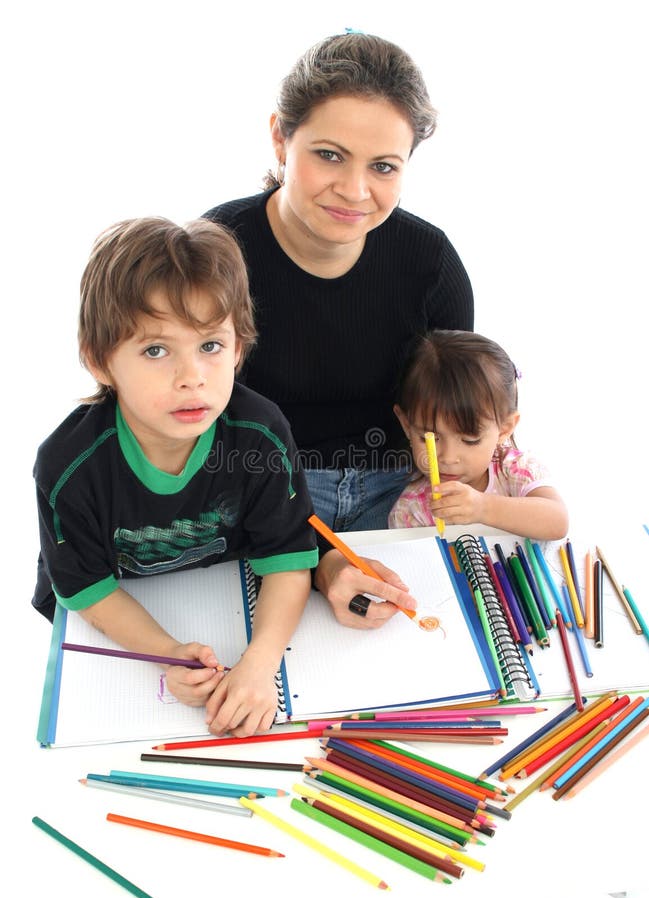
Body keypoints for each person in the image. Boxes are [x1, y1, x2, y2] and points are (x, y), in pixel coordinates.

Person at [203, 31, 473, 629]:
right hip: (258, 498)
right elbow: (191, 438)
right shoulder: (214, 255)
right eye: (329, 155)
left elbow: (456, 413)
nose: (355, 191)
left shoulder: (430, 263)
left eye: (383, 167)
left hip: (399, 494)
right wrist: (321, 560)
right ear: (280, 136)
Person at [32, 217, 318, 736]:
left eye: (210, 346)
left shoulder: (260, 435)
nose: (192, 377)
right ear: (99, 361)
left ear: (238, 349)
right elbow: (88, 589)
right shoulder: (68, 467)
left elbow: (288, 559)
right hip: (112, 615)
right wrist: (165, 654)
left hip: (222, 594)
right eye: (155, 350)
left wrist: (259, 665)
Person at [388, 330, 569, 540]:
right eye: (429, 438)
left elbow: (558, 522)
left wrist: (483, 507)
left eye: (470, 440)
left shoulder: (514, 470)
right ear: (406, 425)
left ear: (505, 429)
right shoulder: (410, 509)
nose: (448, 458)